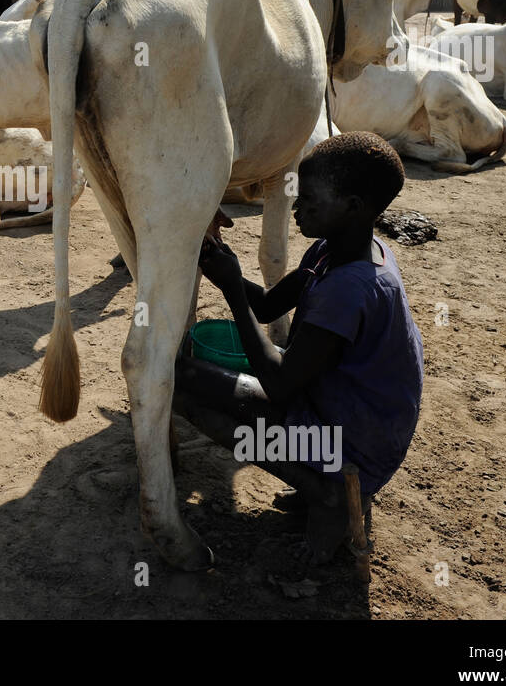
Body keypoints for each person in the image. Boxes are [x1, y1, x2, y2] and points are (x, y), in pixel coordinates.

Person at [174, 132, 424, 564]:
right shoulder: (341, 251)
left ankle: (329, 496)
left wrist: (233, 292)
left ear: (352, 207)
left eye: (308, 199)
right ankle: (323, 484)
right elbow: (271, 305)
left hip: (355, 443)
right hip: (348, 413)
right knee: (185, 376)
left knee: (188, 394)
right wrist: (223, 264)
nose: (295, 208)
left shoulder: (350, 289)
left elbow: (279, 384)